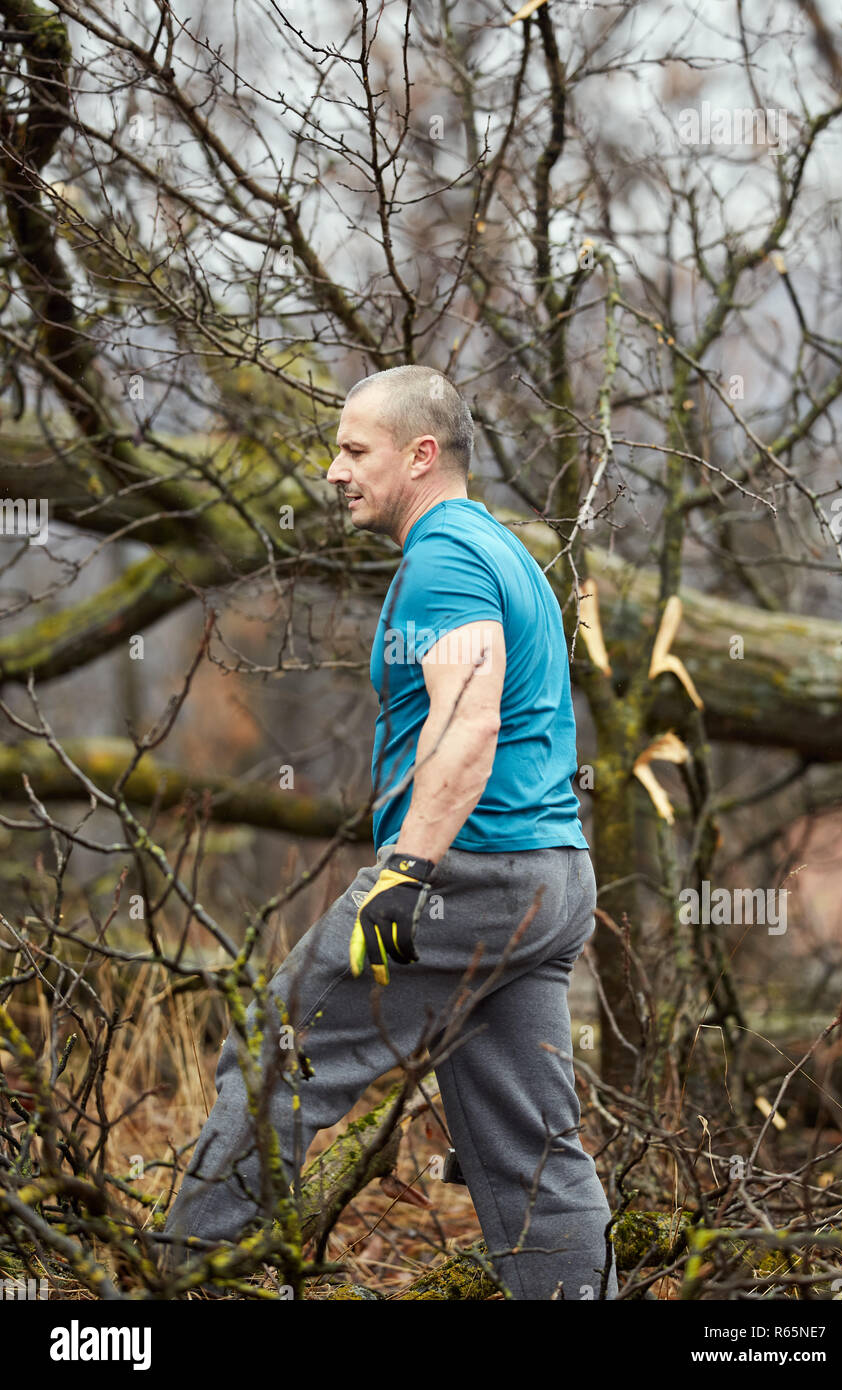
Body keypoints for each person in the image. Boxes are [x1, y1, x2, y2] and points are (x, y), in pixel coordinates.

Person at [163, 365, 617, 1300]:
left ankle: (167, 1296)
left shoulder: (447, 556)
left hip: (466, 876)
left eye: (353, 450)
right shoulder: (501, 551)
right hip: (550, 880)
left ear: (420, 455)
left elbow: (472, 719)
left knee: (274, 1051)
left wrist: (402, 872)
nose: (333, 470)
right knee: (531, 1146)